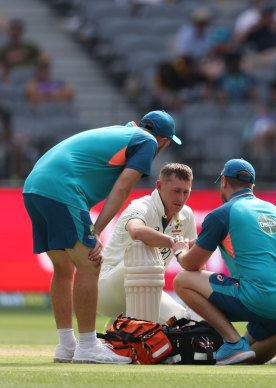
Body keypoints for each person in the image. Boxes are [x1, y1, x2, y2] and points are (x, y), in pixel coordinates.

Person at [22, 110, 181, 364]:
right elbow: (122, 187)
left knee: (63, 267)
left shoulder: (122, 132)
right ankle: (87, 346)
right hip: (61, 189)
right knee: (91, 263)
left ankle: (66, 345)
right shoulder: (148, 141)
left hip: (33, 187)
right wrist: (95, 230)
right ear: (164, 141)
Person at [170, 159, 276, 365]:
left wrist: (179, 252)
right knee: (246, 359)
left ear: (224, 182)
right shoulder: (274, 211)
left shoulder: (222, 213)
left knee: (182, 280)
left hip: (259, 297)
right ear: (252, 186)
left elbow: (191, 265)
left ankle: (232, 342)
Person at [97, 163, 197, 324]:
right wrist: (174, 243)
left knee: (185, 326)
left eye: (186, 192)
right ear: (159, 186)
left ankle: (114, 338)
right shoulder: (142, 206)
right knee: (144, 254)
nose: (181, 198)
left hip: (148, 289)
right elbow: (136, 231)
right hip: (105, 289)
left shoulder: (187, 215)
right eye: (176, 191)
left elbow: (194, 263)